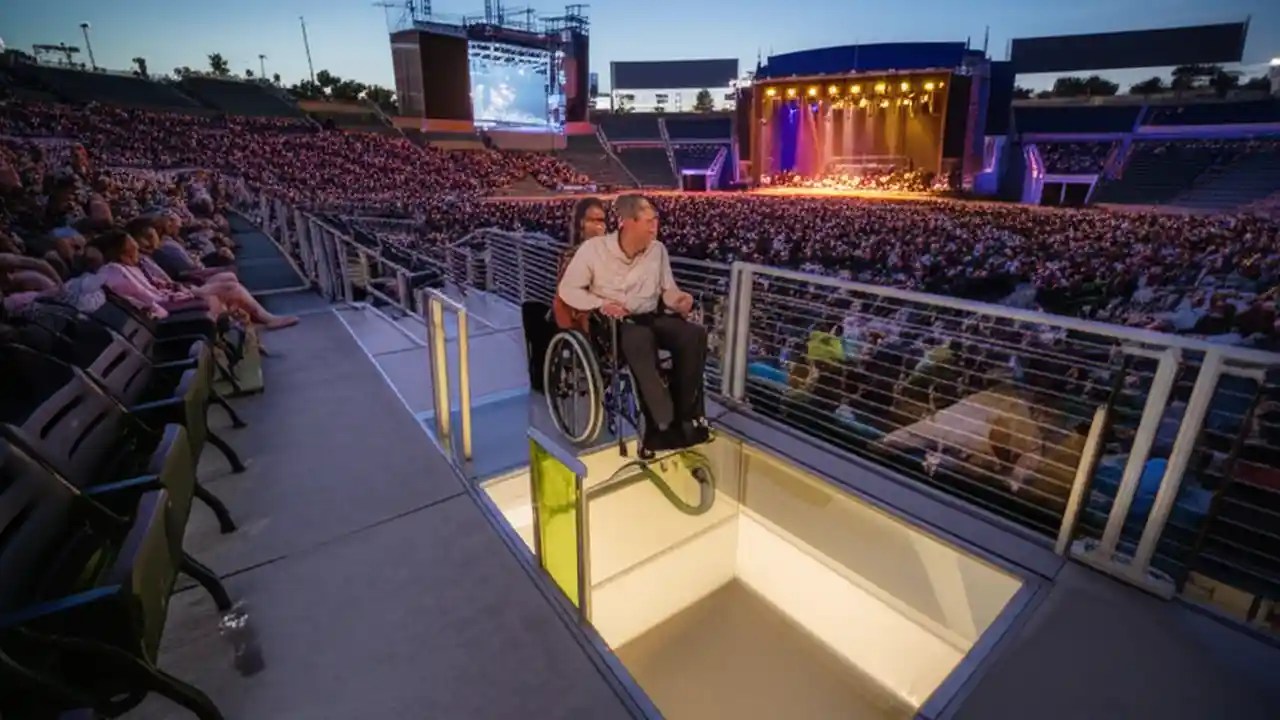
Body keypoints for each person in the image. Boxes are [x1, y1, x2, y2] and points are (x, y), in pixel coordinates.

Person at [558, 194, 709, 452]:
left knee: (693, 334)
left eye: (655, 221)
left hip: (651, 315)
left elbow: (667, 290)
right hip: (612, 322)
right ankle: (661, 423)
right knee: (639, 341)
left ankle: (685, 414)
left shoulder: (657, 250)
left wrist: (678, 300)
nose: (654, 227)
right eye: (648, 222)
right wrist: (599, 303)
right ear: (627, 222)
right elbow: (567, 290)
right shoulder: (593, 251)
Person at [523, 196, 607, 391]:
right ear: (581, 224)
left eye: (601, 220)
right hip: (580, 312)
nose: (598, 226)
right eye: (592, 220)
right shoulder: (571, 256)